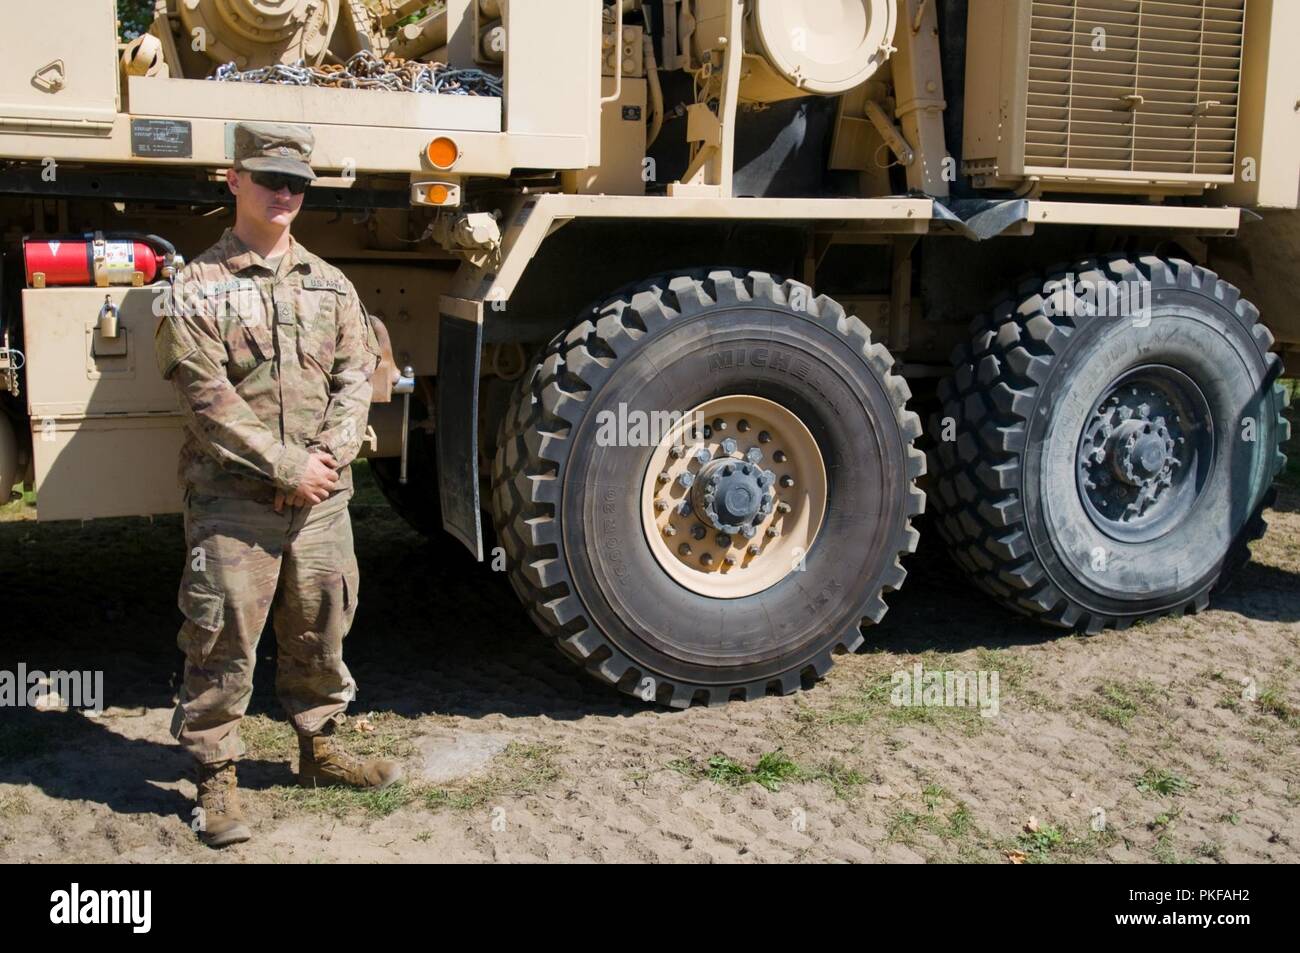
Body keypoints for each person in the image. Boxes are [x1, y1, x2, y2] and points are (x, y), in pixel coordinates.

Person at [154, 121, 400, 849]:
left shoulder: (331, 284)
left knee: (322, 622)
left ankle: (320, 748)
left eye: (297, 183)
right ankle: (215, 776)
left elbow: (357, 378)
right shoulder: (194, 287)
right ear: (234, 181)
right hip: (235, 500)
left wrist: (327, 458)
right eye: (270, 179)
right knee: (221, 632)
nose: (285, 193)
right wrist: (286, 467)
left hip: (322, 498)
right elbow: (205, 399)